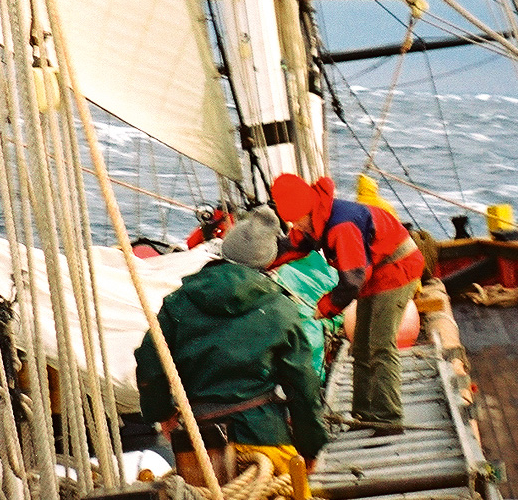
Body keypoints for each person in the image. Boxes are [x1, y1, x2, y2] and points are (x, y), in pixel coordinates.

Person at [134, 207, 328, 466]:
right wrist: (311, 446)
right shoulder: (281, 309)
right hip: (264, 440)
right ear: (269, 260)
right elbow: (303, 384)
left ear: (225, 250)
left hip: (199, 444)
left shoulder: (178, 303)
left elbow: (150, 361)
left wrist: (163, 413)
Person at [269, 173, 423, 428]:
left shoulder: (342, 227)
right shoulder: (312, 219)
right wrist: (264, 262)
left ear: (308, 211)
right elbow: (293, 246)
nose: (296, 227)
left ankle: (388, 418)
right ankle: (364, 413)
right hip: (374, 271)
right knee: (361, 345)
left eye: (297, 221)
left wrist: (326, 306)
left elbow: (352, 281)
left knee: (379, 344)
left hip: (398, 269)